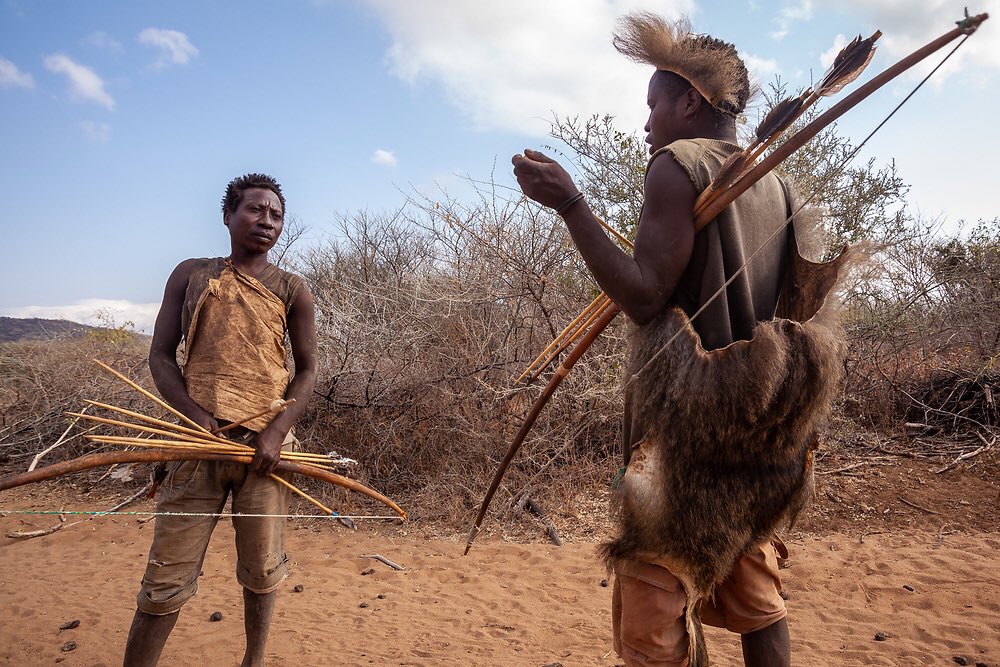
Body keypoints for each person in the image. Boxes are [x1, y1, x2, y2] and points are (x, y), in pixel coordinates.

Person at [511, 15, 818, 667]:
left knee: (655, 612)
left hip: (682, 437)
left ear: (689, 103)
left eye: (653, 105)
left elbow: (647, 293)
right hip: (758, 431)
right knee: (758, 595)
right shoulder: (778, 184)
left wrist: (571, 205)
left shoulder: (677, 166)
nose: (647, 123)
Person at [123, 173, 317, 667]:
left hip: (264, 454)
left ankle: (254, 662)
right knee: (165, 579)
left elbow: (307, 370)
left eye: (276, 215)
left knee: (262, 571)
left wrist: (275, 433)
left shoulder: (293, 289)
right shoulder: (192, 274)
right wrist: (194, 416)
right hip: (197, 445)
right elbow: (161, 355)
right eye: (255, 209)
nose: (266, 221)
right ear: (228, 215)